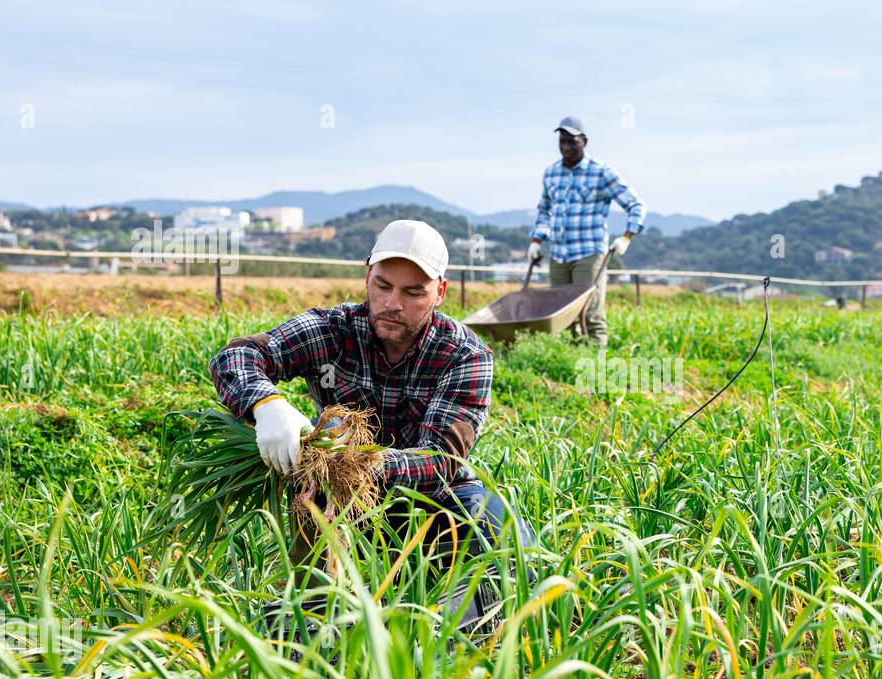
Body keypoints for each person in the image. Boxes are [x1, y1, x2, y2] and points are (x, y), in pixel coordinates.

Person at [208, 219, 535, 632]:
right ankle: (317, 617)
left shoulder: (464, 355)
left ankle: (440, 629)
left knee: (507, 546)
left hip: (433, 498)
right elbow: (236, 357)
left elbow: (439, 461)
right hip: (337, 500)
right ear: (367, 276)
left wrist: (355, 464)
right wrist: (267, 404)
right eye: (382, 286)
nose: (392, 303)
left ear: (440, 292)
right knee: (311, 609)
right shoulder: (333, 329)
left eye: (412, 292)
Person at [529, 115, 646, 346]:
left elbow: (635, 204)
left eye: (571, 141)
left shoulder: (601, 172)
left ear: (584, 141)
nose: (566, 147)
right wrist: (536, 240)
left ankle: (597, 365)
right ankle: (573, 365)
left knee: (590, 313)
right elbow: (544, 210)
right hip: (559, 254)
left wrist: (626, 237)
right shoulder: (551, 173)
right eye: (562, 141)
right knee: (562, 314)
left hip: (589, 254)